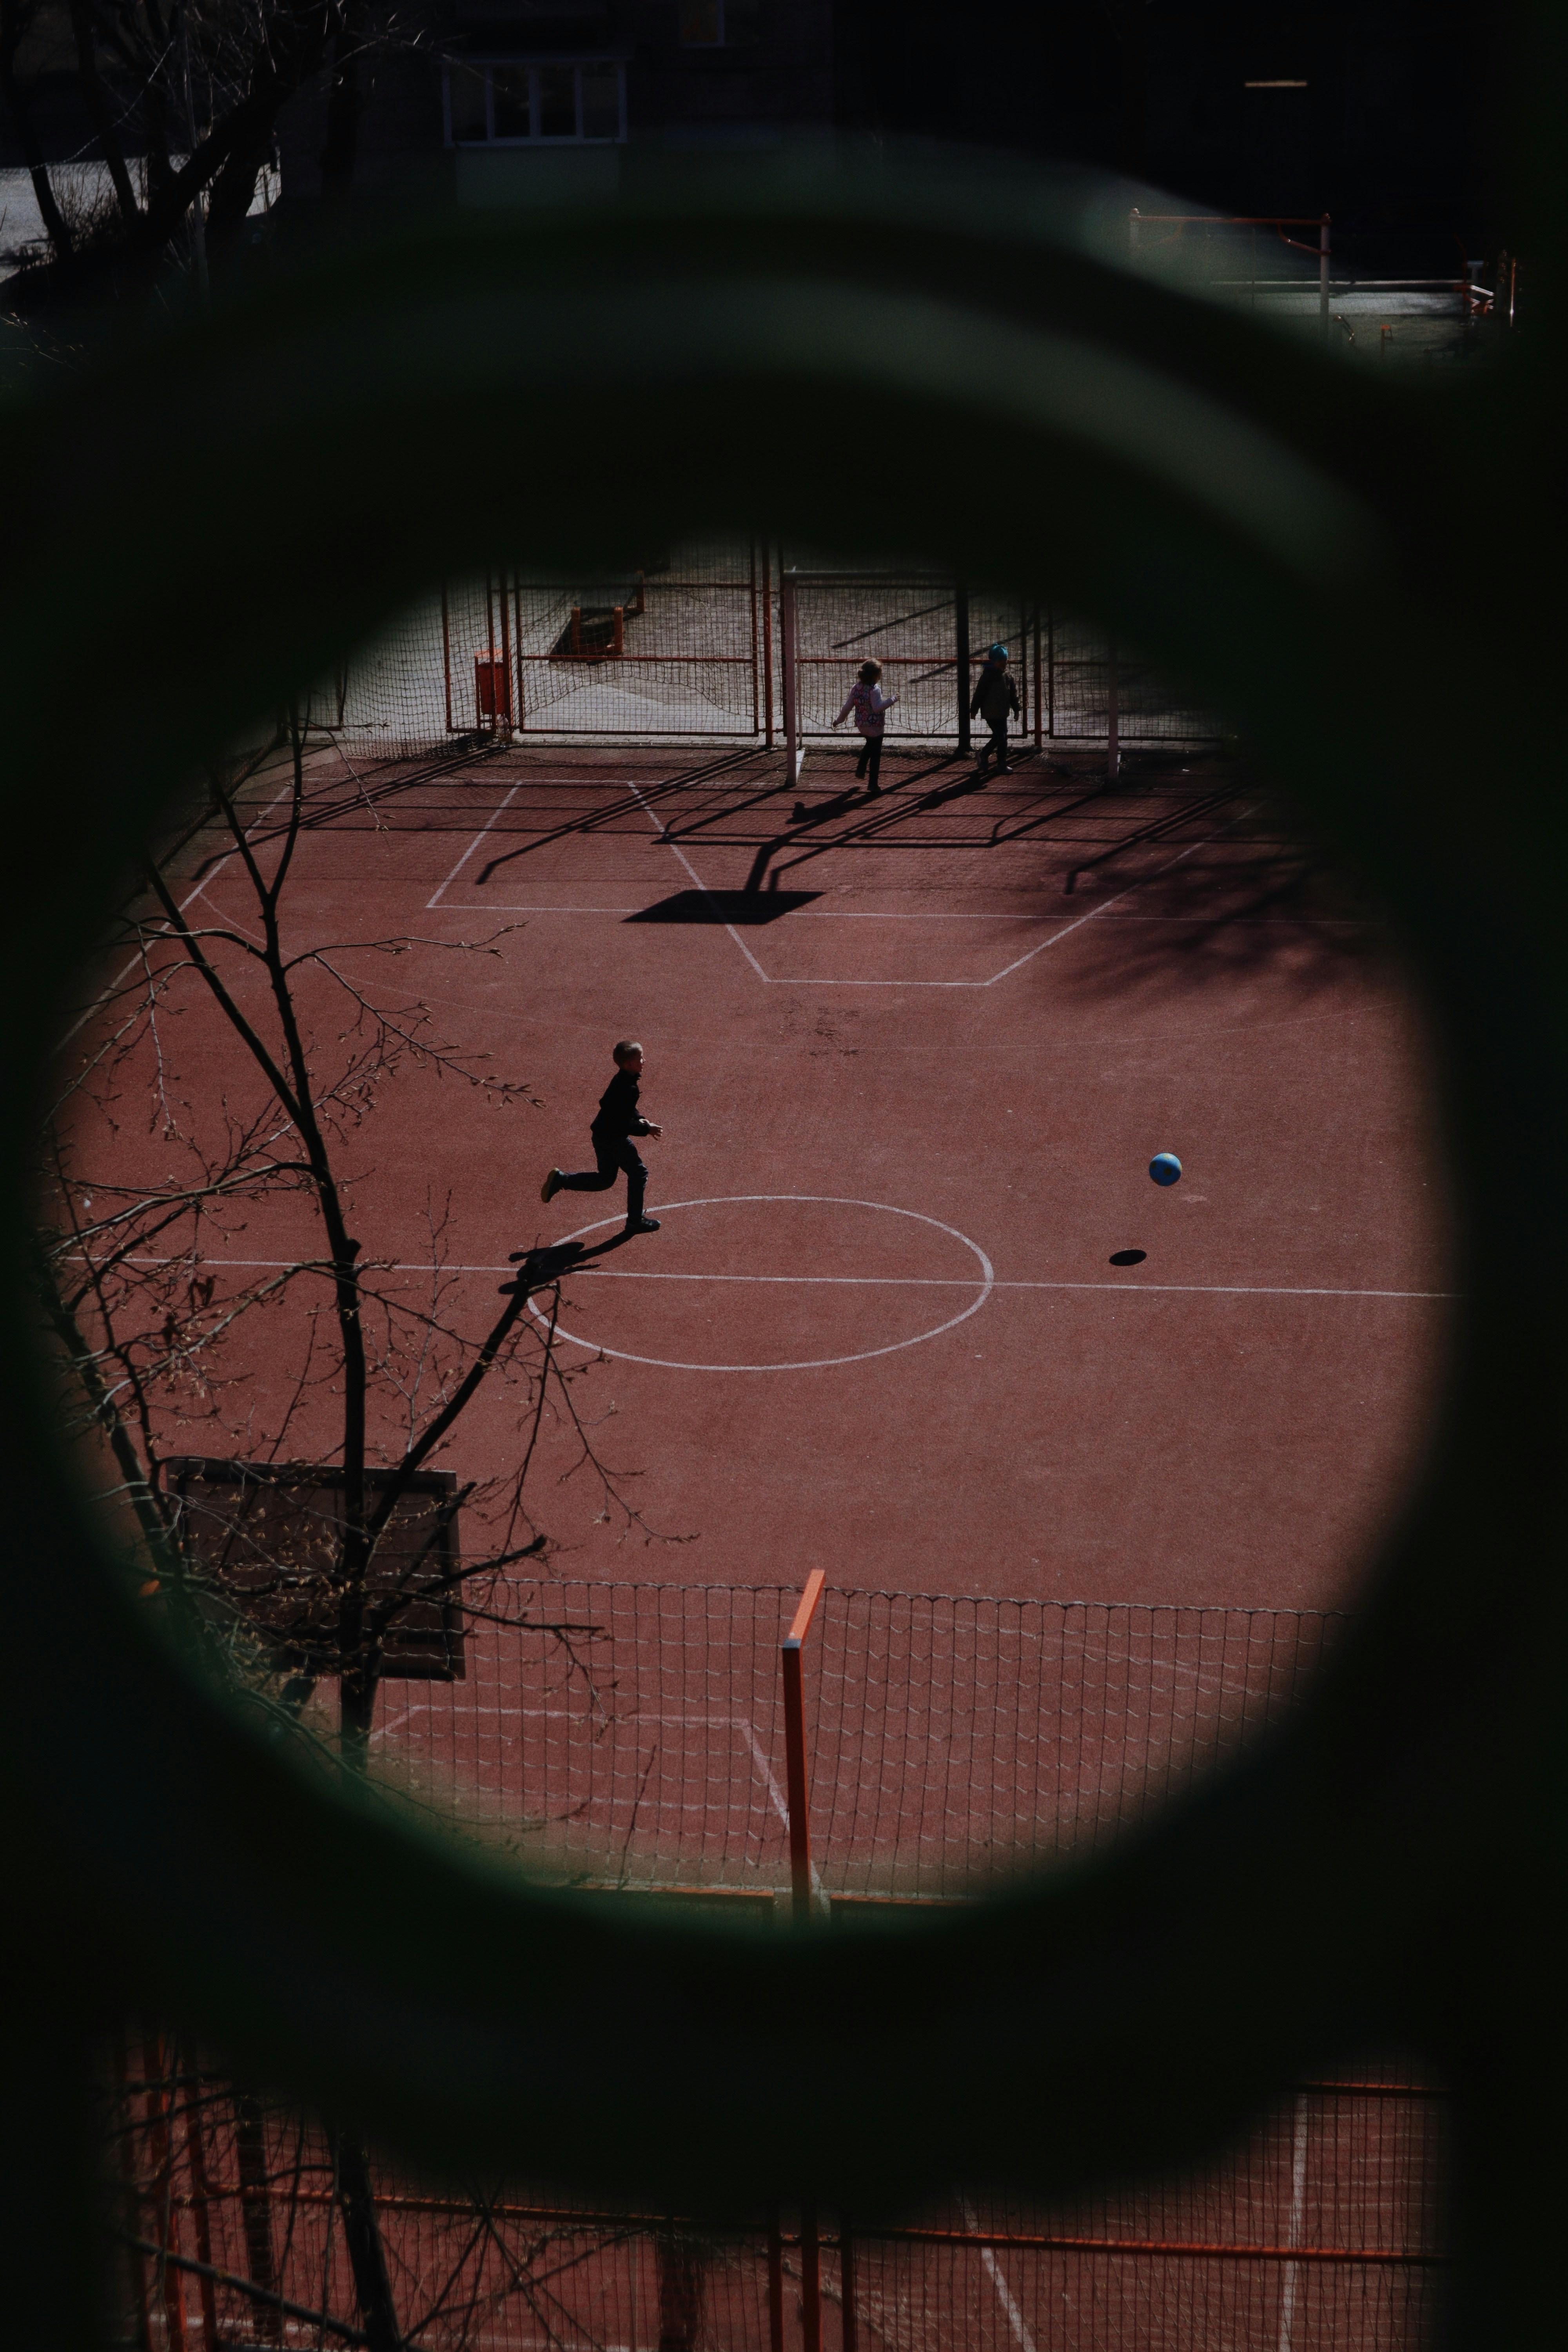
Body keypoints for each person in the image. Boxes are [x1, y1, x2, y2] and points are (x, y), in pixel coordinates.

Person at [540, 1039, 662, 1236]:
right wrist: (645, 1130)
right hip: (615, 1139)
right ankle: (635, 1221)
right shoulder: (629, 1088)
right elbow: (622, 1122)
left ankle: (562, 1180)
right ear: (629, 1064)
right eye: (640, 1058)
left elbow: (613, 1106)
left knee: (605, 1180)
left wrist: (642, 1120)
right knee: (638, 1173)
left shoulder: (621, 1080)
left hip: (601, 1136)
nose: (644, 1061)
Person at [833, 660, 898, 795]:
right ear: (876, 675)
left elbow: (847, 707)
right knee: (876, 755)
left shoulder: (856, 688)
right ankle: (873, 784)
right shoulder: (875, 689)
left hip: (862, 725)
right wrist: (892, 699)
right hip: (875, 726)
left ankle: (861, 770)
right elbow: (877, 708)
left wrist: (839, 721)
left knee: (869, 745)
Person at [970, 643, 1020, 777]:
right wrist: (974, 710)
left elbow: (1013, 694)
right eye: (1000, 661)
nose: (1004, 663)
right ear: (993, 662)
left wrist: (1017, 709)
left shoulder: (1008, 676)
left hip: (1003, 712)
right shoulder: (987, 676)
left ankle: (1002, 764)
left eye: (1005, 660)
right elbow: (979, 694)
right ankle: (983, 754)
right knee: (1000, 736)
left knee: (1004, 737)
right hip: (991, 713)